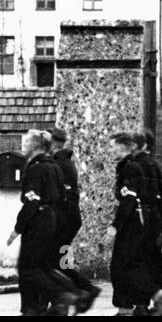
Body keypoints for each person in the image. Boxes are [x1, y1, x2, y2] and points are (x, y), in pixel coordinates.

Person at [106, 132, 162, 316]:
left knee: (126, 265)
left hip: (135, 222)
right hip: (144, 220)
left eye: (112, 146)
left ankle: (158, 296)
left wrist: (116, 225)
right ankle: (138, 303)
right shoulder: (134, 165)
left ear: (123, 147)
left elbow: (129, 199)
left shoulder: (131, 167)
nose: (110, 150)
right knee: (131, 264)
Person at [8, 129, 80, 316]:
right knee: (44, 266)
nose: (22, 146)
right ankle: (60, 295)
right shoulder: (55, 167)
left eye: (26, 143)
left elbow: (32, 201)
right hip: (52, 219)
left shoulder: (37, 168)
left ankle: (56, 297)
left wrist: (18, 228)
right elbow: (62, 197)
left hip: (37, 221)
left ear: (36, 146)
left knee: (28, 269)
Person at [49, 127, 100, 312]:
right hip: (69, 220)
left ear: (54, 143)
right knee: (61, 260)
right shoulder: (66, 162)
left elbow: (61, 197)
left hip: (63, 221)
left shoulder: (60, 164)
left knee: (53, 262)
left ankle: (82, 290)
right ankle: (73, 294)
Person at [133, 131, 162, 307]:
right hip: (158, 218)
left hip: (151, 219)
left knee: (146, 260)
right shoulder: (149, 163)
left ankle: (149, 300)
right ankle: (161, 295)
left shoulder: (141, 164)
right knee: (153, 259)